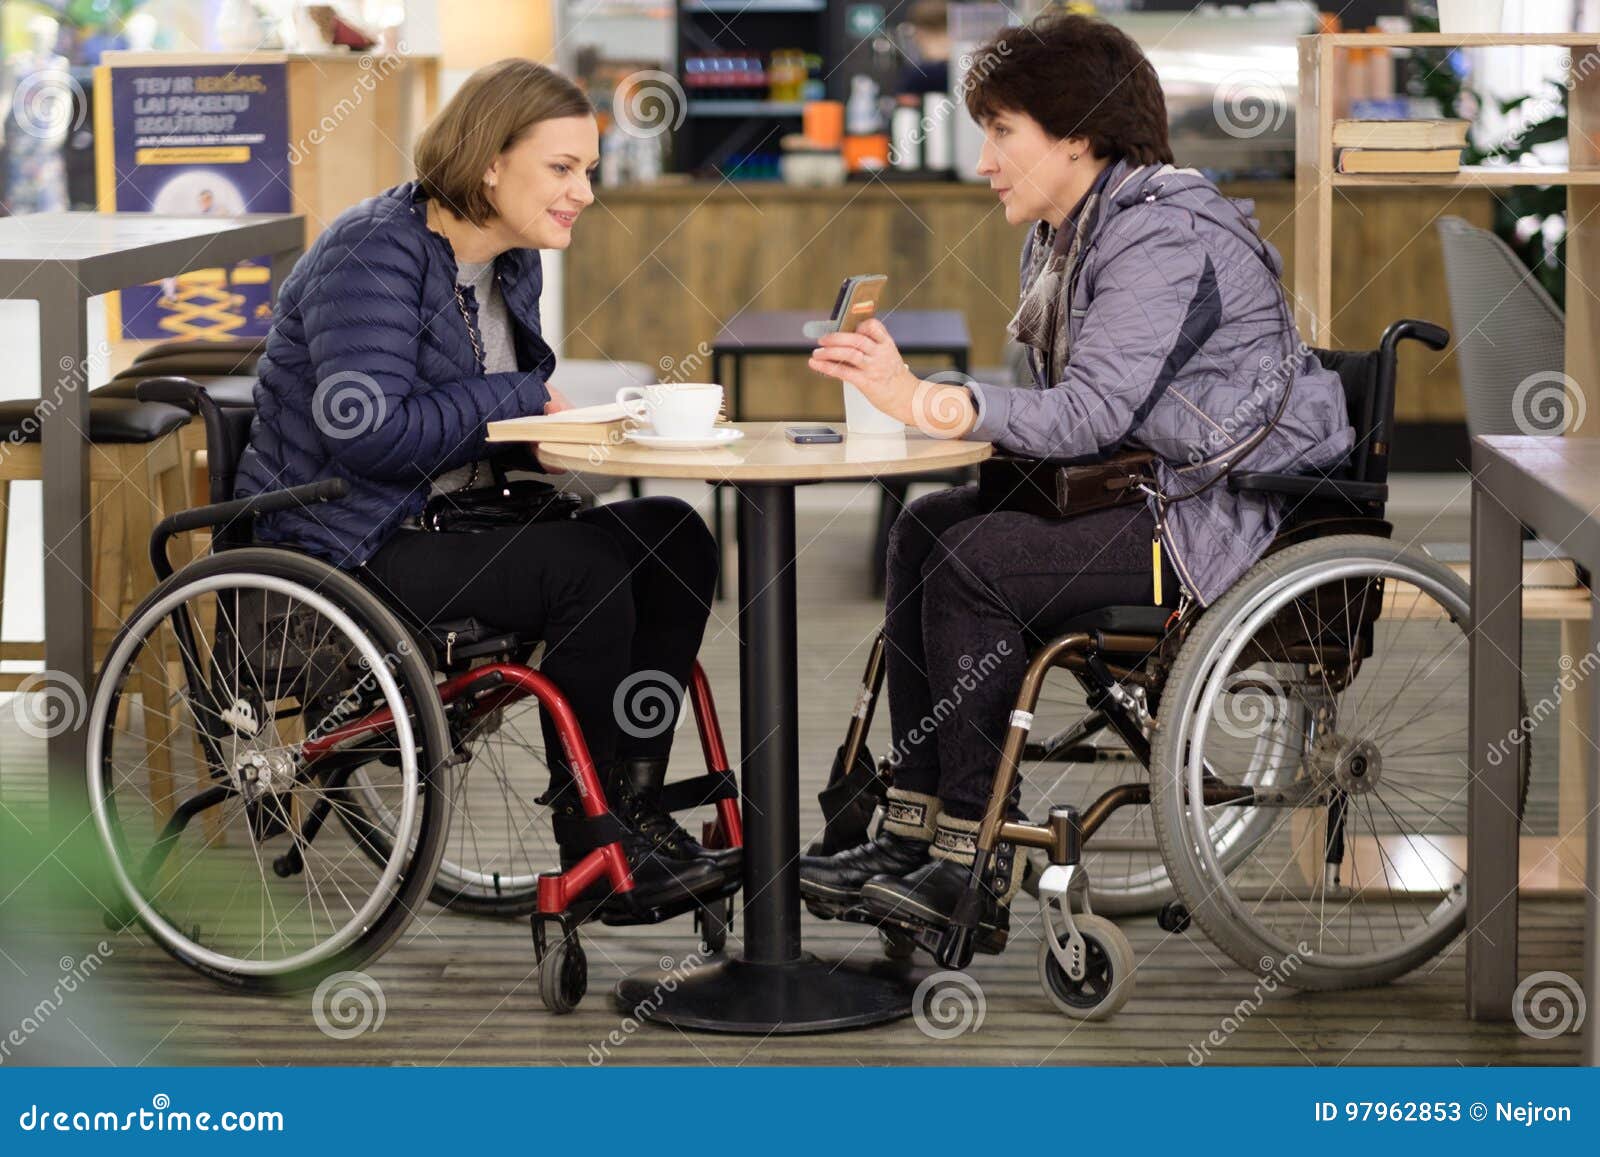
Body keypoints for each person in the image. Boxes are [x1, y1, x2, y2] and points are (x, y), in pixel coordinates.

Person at [799, 13, 1355, 937]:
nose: (984, 161)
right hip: (1149, 488)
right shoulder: (1066, 232)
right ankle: (912, 825)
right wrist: (921, 405)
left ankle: (964, 864)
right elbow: (1068, 418)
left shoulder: (1161, 235)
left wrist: (926, 399)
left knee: (975, 559)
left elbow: (1090, 413)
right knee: (925, 529)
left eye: (1002, 132)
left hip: (1222, 515)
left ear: (1080, 136)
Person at [234, 59, 731, 912]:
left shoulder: (508, 262)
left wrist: (555, 438)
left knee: (675, 534)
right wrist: (519, 400)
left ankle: (637, 804)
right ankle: (594, 836)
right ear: (490, 162)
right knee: (584, 568)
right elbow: (370, 433)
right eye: (563, 168)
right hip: (344, 545)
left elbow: (481, 425)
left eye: (590, 171)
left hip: (451, 522)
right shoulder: (372, 252)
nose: (583, 192)